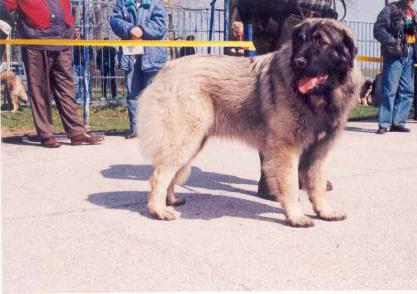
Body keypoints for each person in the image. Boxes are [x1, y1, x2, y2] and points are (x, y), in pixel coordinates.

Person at [4, 0, 104, 148]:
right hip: (36, 42)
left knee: (66, 89)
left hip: (62, 41)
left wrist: (70, 24)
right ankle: (46, 135)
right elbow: (4, 7)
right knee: (40, 90)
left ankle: (76, 132)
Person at [110, 0, 168, 139]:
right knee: (133, 92)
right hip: (131, 56)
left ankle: (154, 129)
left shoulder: (155, 4)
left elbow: (160, 26)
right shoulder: (122, 3)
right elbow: (114, 21)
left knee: (153, 94)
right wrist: (129, 28)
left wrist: (142, 30)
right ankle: (135, 128)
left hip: (152, 56)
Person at [374, 0, 416, 134]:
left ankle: (398, 122)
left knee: (407, 91)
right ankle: (384, 124)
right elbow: (378, 30)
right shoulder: (390, 9)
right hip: (395, 55)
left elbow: (412, 35)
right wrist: (393, 44)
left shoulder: (413, 13)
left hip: (410, 55)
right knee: (389, 90)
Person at [72, 27, 93, 104]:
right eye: (75, 31)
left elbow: (90, 52)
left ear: (80, 32)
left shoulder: (85, 40)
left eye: (77, 31)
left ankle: (88, 97)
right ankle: (78, 98)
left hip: (84, 64)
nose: (76, 33)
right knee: (76, 82)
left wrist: (88, 60)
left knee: (86, 81)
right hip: (74, 64)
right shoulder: (71, 40)